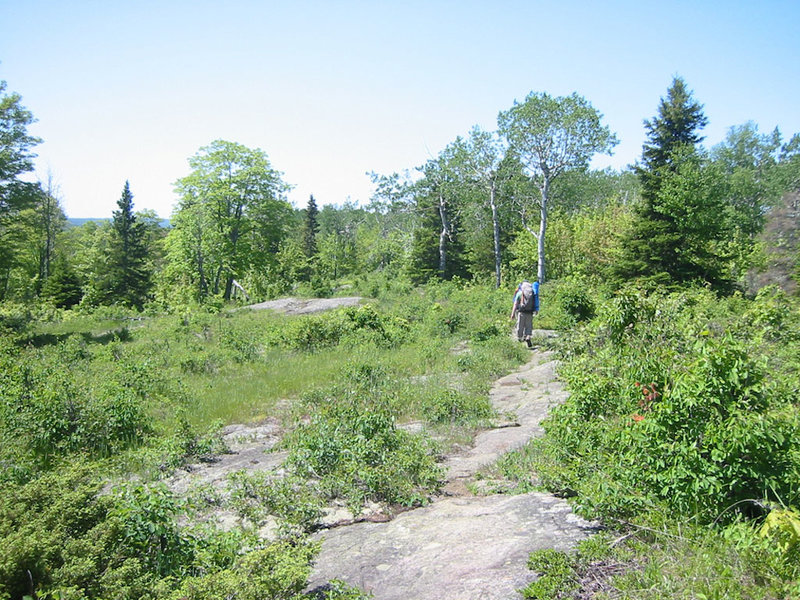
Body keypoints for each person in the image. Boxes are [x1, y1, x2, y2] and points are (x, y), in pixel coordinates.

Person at [510, 279, 539, 347]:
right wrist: (536, 309)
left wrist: (513, 313)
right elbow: (536, 300)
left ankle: (519, 338)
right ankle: (528, 336)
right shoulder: (532, 292)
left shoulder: (520, 293)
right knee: (529, 326)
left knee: (520, 325)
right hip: (530, 312)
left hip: (521, 312)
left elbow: (515, 304)